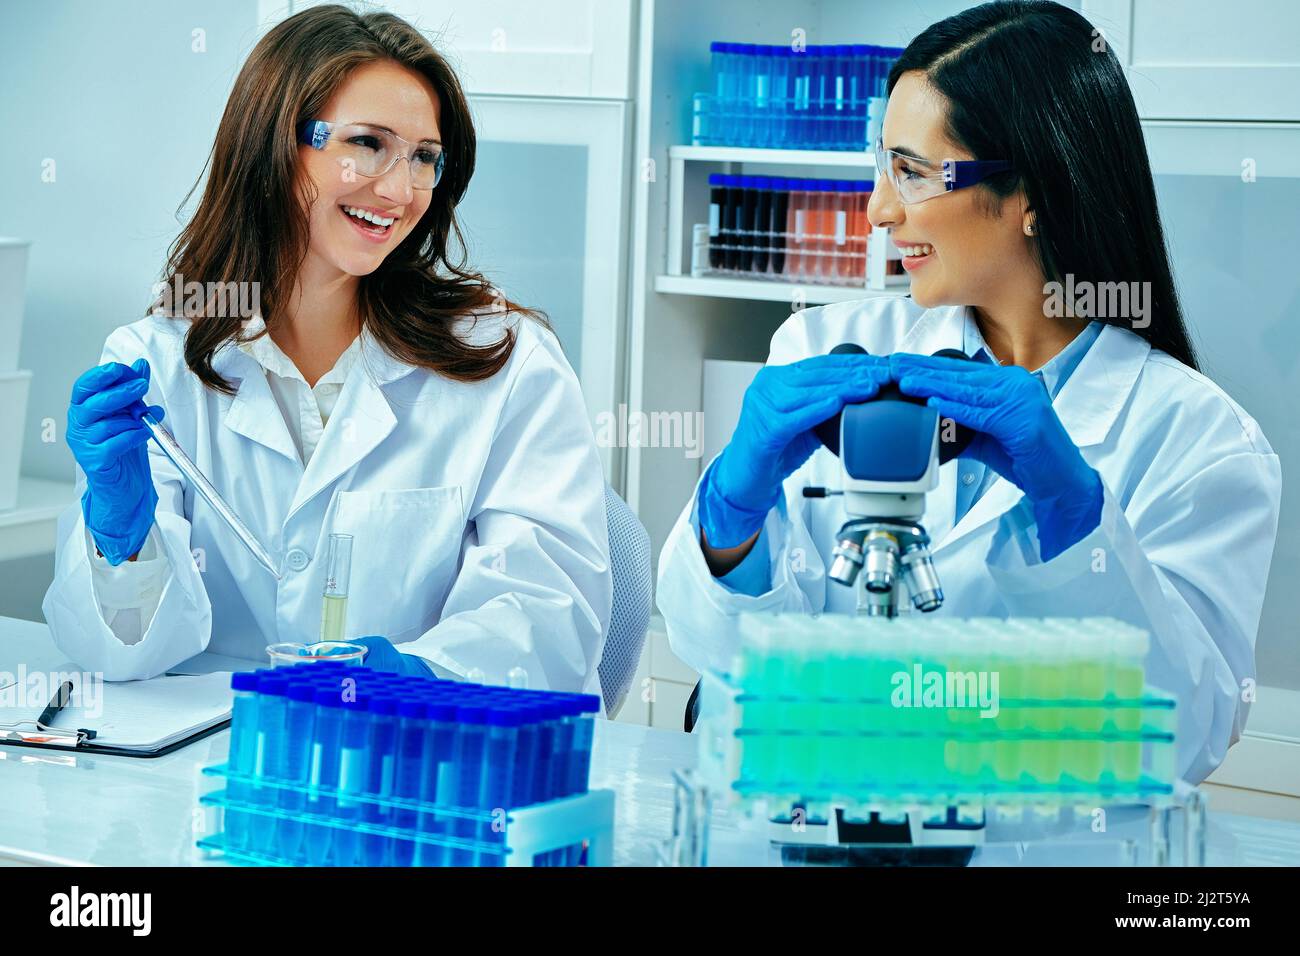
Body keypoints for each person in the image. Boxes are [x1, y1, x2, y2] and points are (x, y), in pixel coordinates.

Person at [656, 0, 1281, 784]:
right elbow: (724, 662)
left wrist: (1078, 521)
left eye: (912, 173)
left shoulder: (1200, 442)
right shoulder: (818, 349)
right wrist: (729, 523)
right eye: (884, 166)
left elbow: (1181, 738)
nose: (880, 210)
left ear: (1031, 195)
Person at [43, 5, 612, 692]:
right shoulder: (160, 360)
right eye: (368, 144)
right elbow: (123, 657)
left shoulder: (507, 363)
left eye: (425, 158)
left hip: (412, 761)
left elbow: (549, 616)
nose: (400, 190)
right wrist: (122, 538)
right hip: (205, 770)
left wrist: (419, 675)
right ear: (276, 144)